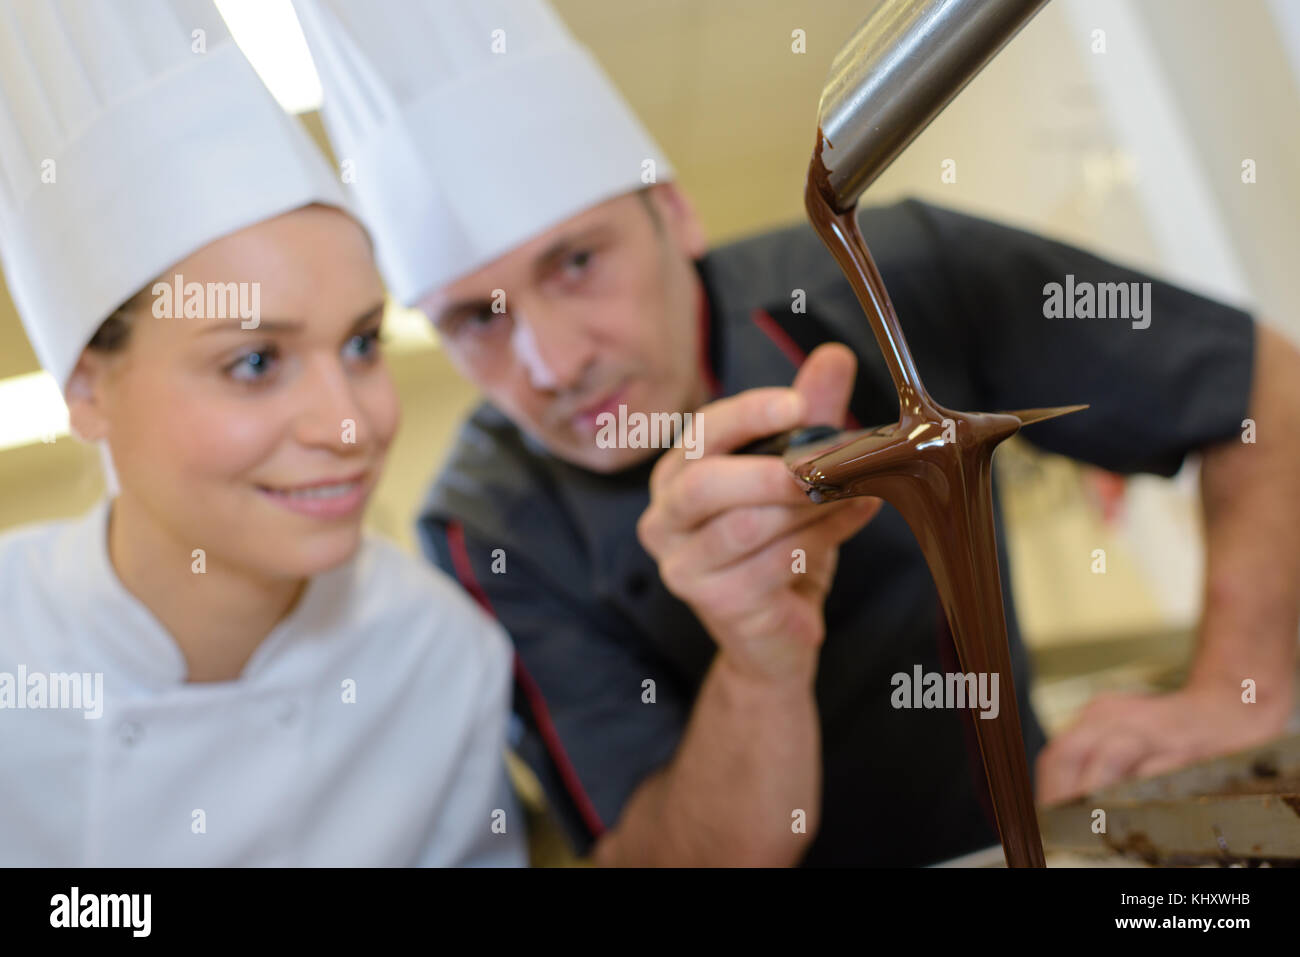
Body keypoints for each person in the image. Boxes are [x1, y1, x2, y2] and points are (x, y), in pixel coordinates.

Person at [297, 0, 1300, 865]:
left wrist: (1231, 692)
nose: (554, 363)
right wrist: (756, 660)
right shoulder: (485, 529)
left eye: (576, 263)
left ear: (673, 214)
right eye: (477, 318)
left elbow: (1267, 391)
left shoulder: (890, 274)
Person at [0, 0, 524, 867]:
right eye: (254, 362)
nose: (351, 424)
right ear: (88, 388)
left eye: (362, 345)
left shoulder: (440, 655)